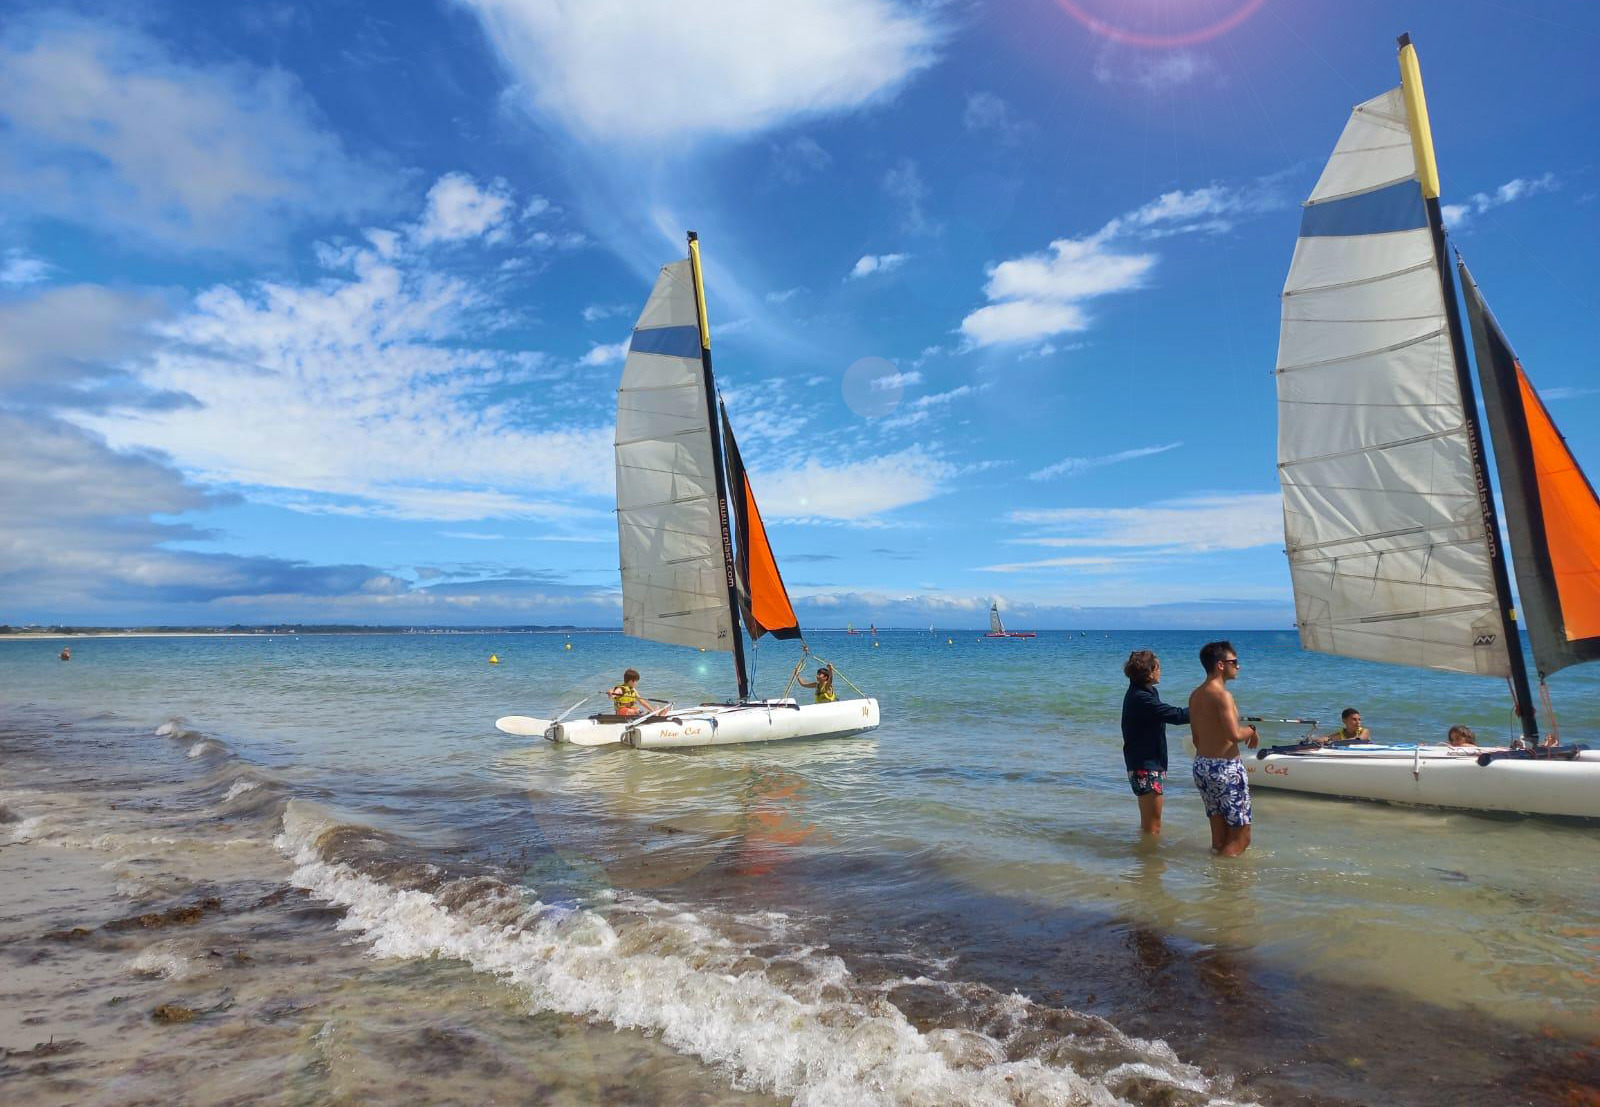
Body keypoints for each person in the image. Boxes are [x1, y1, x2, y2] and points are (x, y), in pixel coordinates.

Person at [1188, 641, 1259, 857]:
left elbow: (1196, 739)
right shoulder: (1222, 696)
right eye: (1234, 662)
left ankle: (1215, 882)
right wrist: (1252, 730)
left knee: (1219, 838)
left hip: (1202, 766)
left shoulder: (1195, 695)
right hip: (1225, 769)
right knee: (1241, 837)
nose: (1238, 666)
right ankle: (1227, 885)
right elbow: (1234, 735)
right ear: (1220, 665)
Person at [1120, 650, 1189, 836]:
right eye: (1158, 667)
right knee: (1153, 826)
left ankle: (1145, 860)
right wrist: (1203, 708)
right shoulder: (1141, 697)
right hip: (1145, 766)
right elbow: (1175, 715)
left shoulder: (1146, 692)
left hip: (1145, 763)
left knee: (1149, 825)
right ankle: (1151, 862)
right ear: (1149, 672)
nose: (1161, 671)